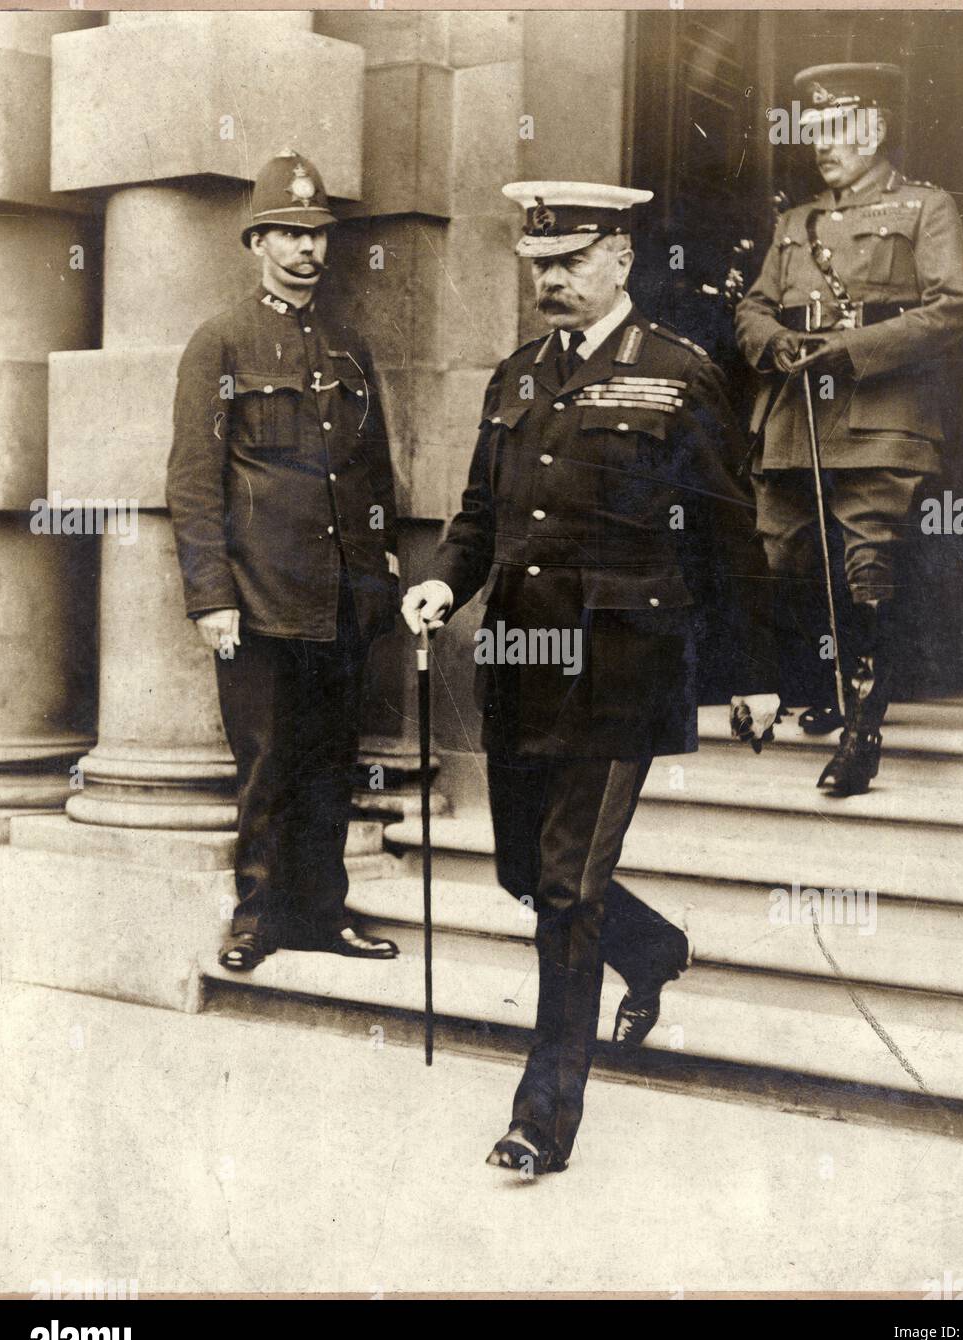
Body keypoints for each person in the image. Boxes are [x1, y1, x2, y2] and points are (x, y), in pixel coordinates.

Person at [401, 181, 779, 1176]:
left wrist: (752, 672)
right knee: (527, 873)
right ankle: (651, 950)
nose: (551, 281)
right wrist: (443, 583)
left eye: (568, 262)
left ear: (620, 259)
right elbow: (480, 516)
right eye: (538, 266)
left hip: (622, 668)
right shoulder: (515, 377)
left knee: (567, 887)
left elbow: (728, 539)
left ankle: (540, 1117)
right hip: (525, 660)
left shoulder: (678, 376)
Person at [166, 149, 400, 970]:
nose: (308, 250)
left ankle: (324, 913)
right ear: (256, 241)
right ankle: (258, 916)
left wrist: (379, 576)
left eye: (317, 235)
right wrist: (210, 597)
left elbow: (372, 472)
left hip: (340, 598)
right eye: (289, 234)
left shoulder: (347, 344)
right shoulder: (221, 342)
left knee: (332, 761)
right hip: (260, 598)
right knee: (265, 762)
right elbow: (195, 482)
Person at [735, 63, 963, 794]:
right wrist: (770, 339)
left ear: (872, 130)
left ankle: (863, 728)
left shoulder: (925, 207)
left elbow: (950, 306)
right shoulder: (794, 222)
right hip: (796, 414)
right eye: (812, 134)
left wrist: (854, 349)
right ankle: (821, 687)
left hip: (879, 412)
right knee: (785, 555)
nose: (820, 148)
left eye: (835, 132)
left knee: (867, 565)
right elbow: (752, 305)